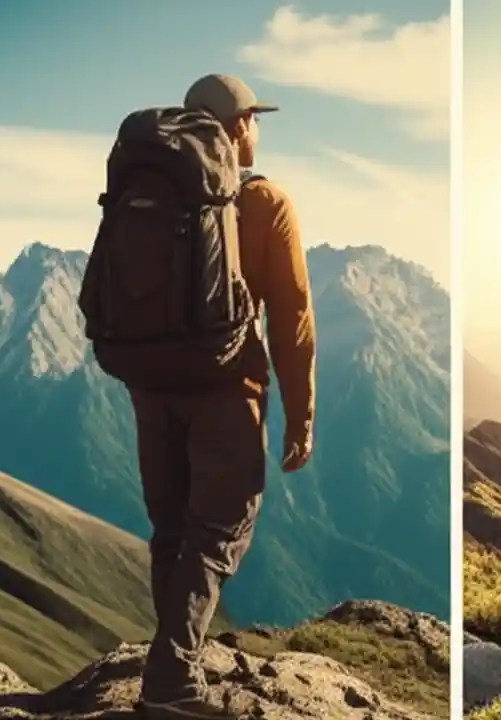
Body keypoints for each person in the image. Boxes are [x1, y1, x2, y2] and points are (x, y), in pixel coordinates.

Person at [132, 74, 317, 719]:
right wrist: (302, 413)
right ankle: (172, 675)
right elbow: (292, 320)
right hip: (225, 387)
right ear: (238, 128)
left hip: (151, 383)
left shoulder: (150, 192)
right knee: (219, 530)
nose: (257, 130)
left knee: (171, 526)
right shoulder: (264, 204)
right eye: (255, 119)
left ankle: (171, 656)